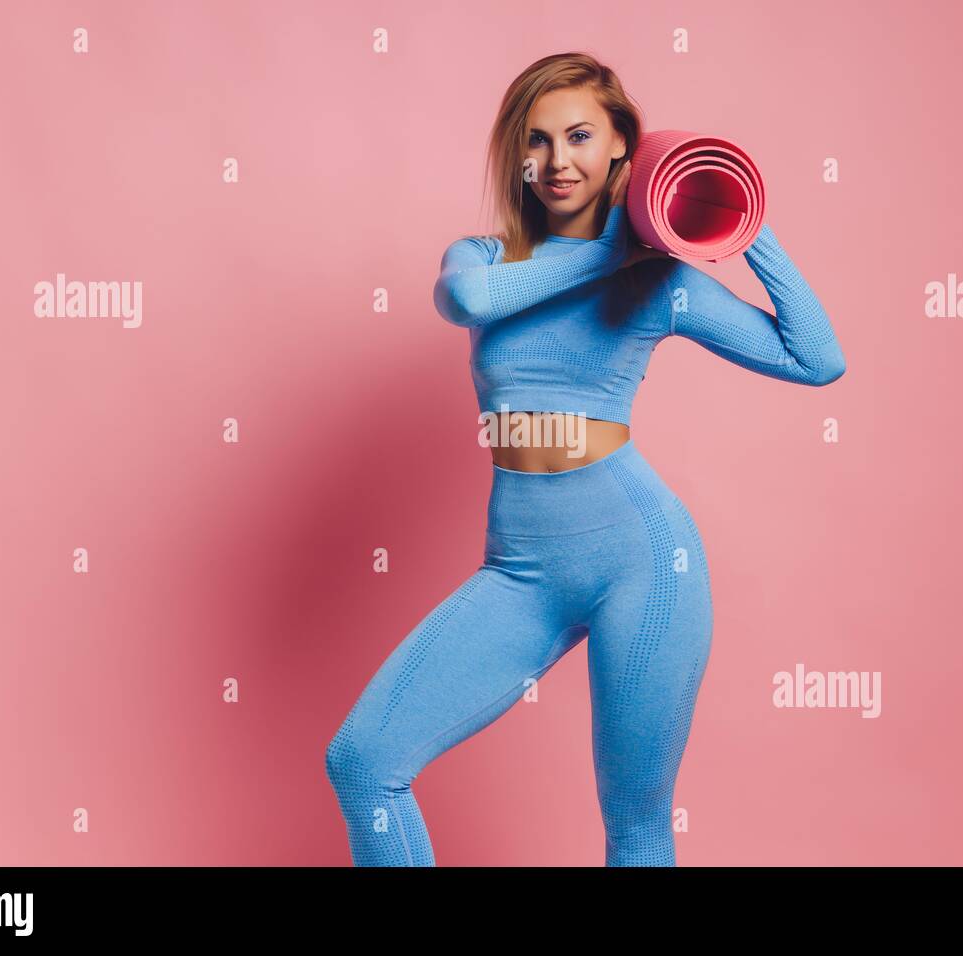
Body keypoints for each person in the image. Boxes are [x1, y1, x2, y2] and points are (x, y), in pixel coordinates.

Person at [325, 51, 846, 866]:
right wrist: (614, 250)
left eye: (578, 136)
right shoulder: (488, 259)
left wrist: (739, 217)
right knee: (363, 762)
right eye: (536, 141)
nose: (556, 161)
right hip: (522, 568)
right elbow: (466, 303)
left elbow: (817, 359)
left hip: (644, 561)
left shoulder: (659, 286)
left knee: (636, 826)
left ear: (619, 151)